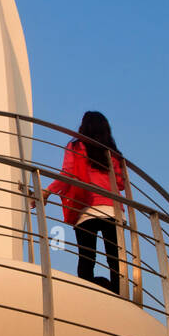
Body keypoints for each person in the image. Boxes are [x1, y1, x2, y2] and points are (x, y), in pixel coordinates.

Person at [33, 111, 127, 293]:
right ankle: (119, 297)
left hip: (87, 210)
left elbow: (67, 175)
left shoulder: (77, 146)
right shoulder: (113, 153)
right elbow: (121, 184)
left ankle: (86, 293)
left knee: (86, 258)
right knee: (115, 260)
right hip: (113, 210)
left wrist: (46, 192)